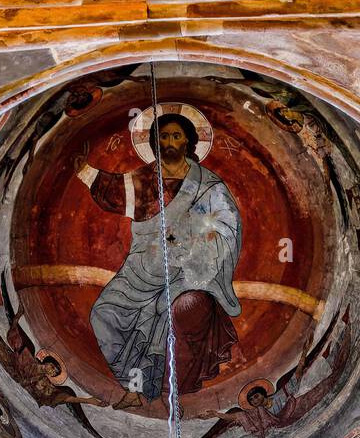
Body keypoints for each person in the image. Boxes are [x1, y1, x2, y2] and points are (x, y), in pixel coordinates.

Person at [74, 112, 241, 405]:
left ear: (189, 141)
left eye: (176, 136)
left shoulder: (208, 185)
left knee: (166, 310)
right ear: (153, 142)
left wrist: (193, 247)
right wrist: (84, 170)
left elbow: (227, 227)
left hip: (187, 270)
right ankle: (130, 382)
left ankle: (144, 389)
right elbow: (112, 191)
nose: (170, 142)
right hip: (141, 268)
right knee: (103, 312)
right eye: (163, 136)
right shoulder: (143, 179)